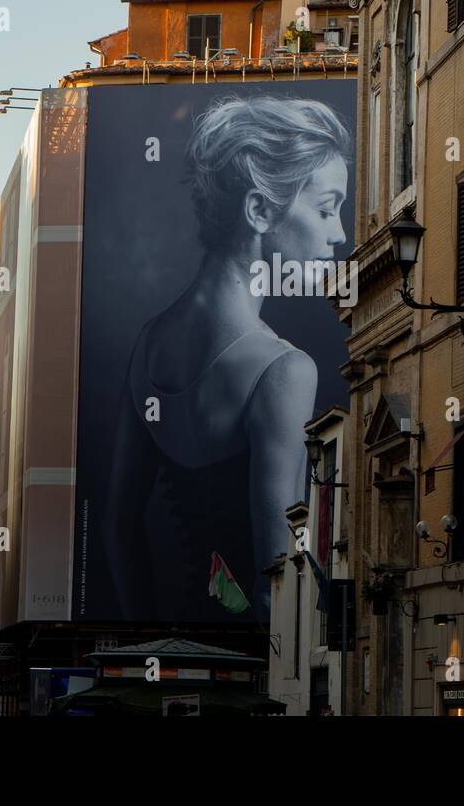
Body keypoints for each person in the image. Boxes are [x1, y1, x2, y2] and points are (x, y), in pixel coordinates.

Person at [102, 95, 351, 622]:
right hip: (254, 668)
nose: (340, 234)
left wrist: (147, 641)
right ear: (259, 209)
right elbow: (275, 577)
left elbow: (118, 528)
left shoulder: (149, 342)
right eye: (327, 209)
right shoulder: (284, 371)